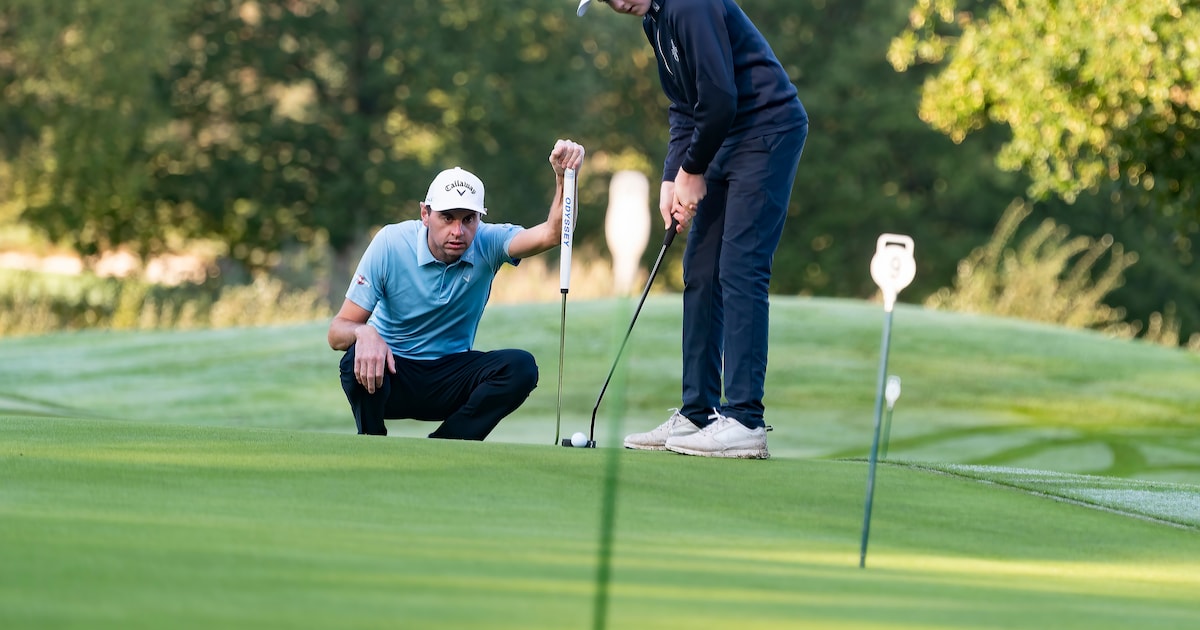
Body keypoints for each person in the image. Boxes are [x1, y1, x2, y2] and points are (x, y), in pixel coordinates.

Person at [577, 0, 808, 458]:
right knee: (701, 271)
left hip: (766, 128)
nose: (617, 2)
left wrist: (693, 168)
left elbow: (719, 96)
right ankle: (697, 413)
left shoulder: (688, 4)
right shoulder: (654, 19)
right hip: (725, 136)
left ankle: (744, 420)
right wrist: (672, 176)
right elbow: (685, 105)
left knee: (740, 267)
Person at [327, 139, 587, 440]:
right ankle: (372, 441)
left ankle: (448, 443)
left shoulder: (487, 242)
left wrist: (563, 177)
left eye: (468, 219)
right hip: (391, 374)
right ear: (425, 214)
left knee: (520, 367)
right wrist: (364, 333)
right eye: (447, 217)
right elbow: (337, 332)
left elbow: (553, 233)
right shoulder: (390, 243)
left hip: (450, 378)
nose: (458, 231)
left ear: (480, 218)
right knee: (354, 356)